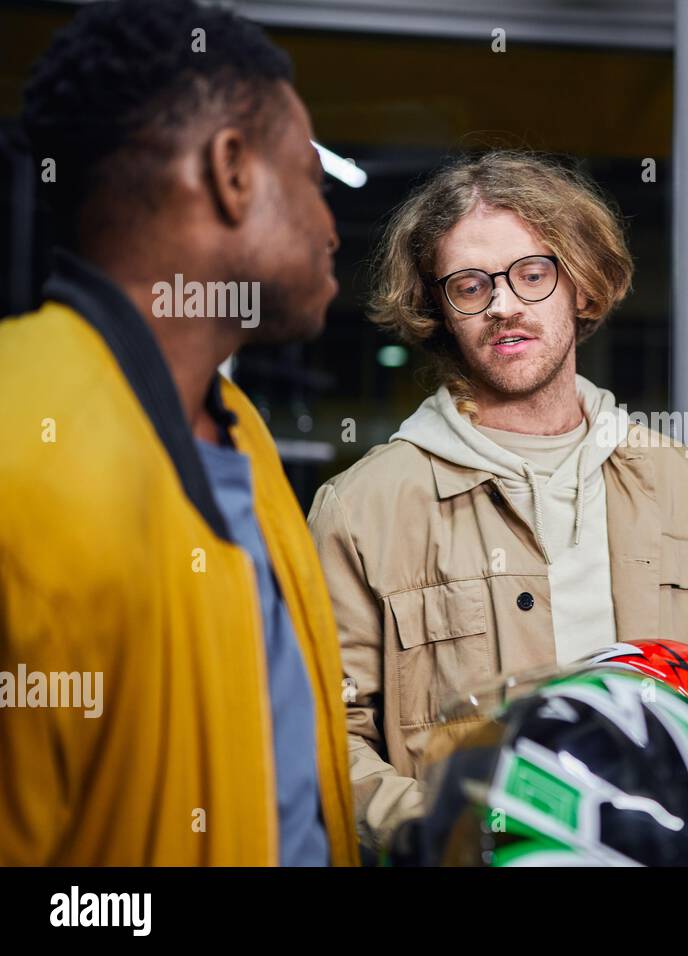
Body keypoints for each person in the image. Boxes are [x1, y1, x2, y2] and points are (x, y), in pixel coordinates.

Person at [308, 150, 688, 853]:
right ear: (439, 310)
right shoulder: (363, 507)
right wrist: (451, 833)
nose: (504, 305)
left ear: (580, 284)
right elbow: (329, 738)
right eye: (469, 285)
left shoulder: (674, 478)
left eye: (532, 273)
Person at [0, 0, 358, 865]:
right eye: (310, 179)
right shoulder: (19, 449)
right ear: (232, 171)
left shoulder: (244, 438)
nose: (333, 226)